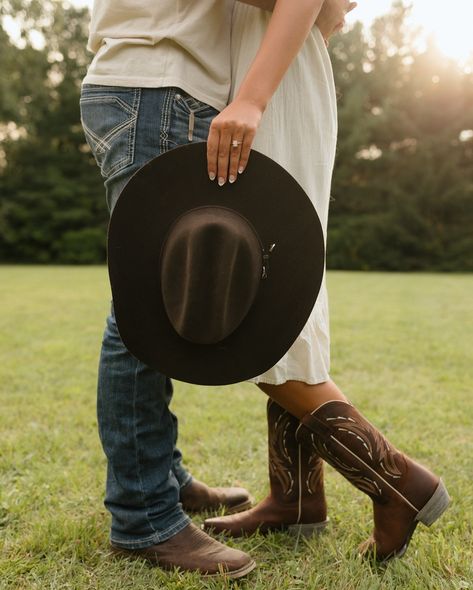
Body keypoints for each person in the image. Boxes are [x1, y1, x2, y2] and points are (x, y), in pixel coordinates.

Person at [80, 0, 350, 578]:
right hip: (159, 88)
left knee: (147, 301)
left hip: (156, 84)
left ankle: (162, 479)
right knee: (145, 311)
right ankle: (142, 515)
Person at [203, 0, 450, 563]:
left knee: (262, 307)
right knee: (284, 300)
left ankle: (395, 480)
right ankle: (295, 497)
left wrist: (250, 96)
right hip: (268, 73)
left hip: (270, 87)